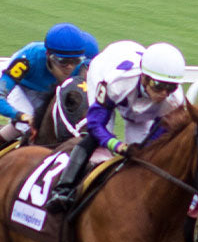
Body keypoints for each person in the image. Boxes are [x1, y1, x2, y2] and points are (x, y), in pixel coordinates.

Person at [46, 40, 188, 213]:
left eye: (171, 87)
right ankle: (63, 189)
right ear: (144, 77)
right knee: (96, 140)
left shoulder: (174, 101)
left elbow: (156, 141)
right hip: (106, 70)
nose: (163, 93)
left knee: (144, 156)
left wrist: (142, 150)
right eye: (158, 85)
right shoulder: (117, 83)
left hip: (138, 100)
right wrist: (116, 145)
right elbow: (95, 124)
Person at [0, 23, 98, 176]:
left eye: (74, 61)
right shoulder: (28, 58)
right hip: (19, 85)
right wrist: (21, 116)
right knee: (27, 124)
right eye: (62, 61)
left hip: (47, 88)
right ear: (48, 55)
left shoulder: (82, 65)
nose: (69, 67)